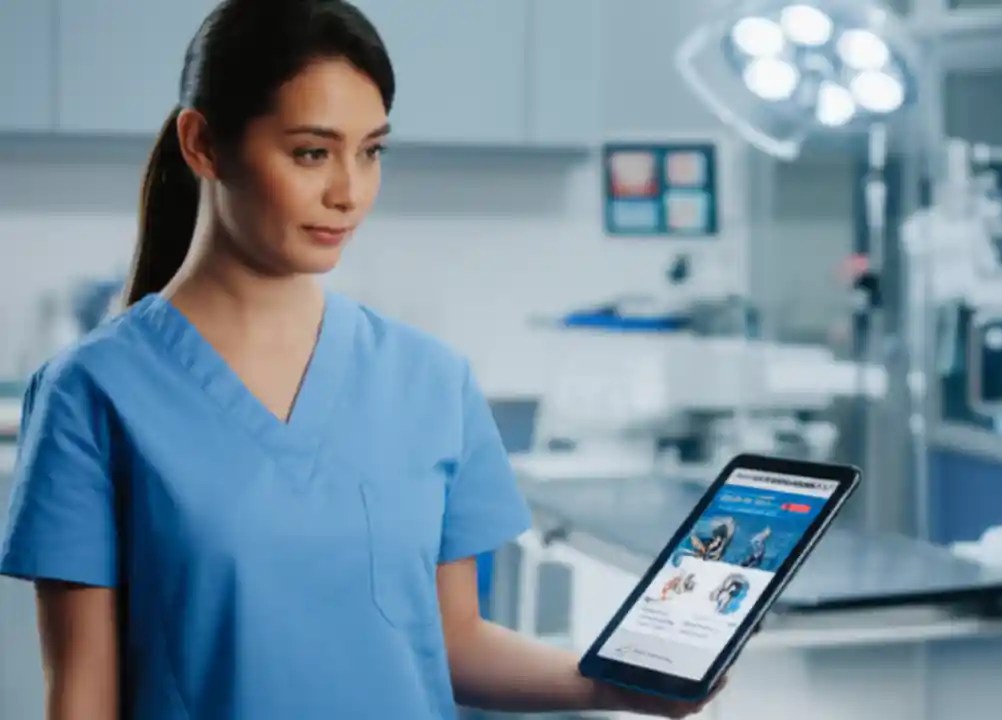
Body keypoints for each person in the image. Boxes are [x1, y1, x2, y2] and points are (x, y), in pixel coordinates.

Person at [0, 2, 722, 718]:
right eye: (312, 152)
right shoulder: (93, 391)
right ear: (203, 145)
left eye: (371, 150)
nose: (349, 192)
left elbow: (453, 642)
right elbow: (83, 698)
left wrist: (610, 682)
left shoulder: (431, 381)